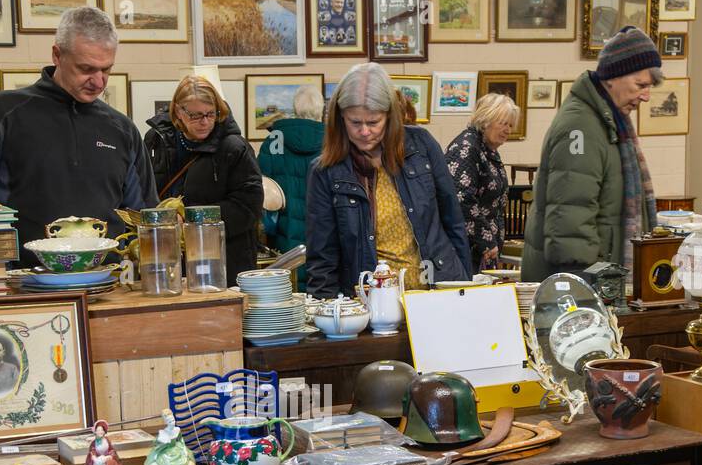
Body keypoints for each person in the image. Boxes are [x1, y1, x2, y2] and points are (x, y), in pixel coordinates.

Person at [0, 6, 154, 252]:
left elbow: (144, 218)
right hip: (23, 283)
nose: (99, 81)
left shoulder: (123, 129)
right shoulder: (1, 112)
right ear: (57, 55)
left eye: (106, 69)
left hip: (108, 283)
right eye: (86, 69)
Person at [304, 62, 470, 299]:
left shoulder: (421, 146)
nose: (364, 131)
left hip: (437, 294)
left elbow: (453, 222)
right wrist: (328, 312)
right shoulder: (325, 171)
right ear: (340, 119)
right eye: (355, 122)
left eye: (373, 122)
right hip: (371, 304)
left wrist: (466, 289)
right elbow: (322, 257)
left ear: (389, 116)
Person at [522, 27, 663, 281]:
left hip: (594, 276)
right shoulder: (582, 125)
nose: (645, 96)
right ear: (613, 76)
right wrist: (583, 286)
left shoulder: (608, 122)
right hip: (576, 284)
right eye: (640, 85)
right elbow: (570, 220)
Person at [143, 75, 263, 281]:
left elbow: (247, 208)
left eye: (210, 114)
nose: (205, 122)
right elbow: (145, 190)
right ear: (179, 111)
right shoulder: (155, 139)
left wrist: (189, 218)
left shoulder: (234, 147)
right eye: (196, 115)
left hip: (224, 259)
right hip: (167, 256)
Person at [446, 93, 518, 271]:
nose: (508, 130)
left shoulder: (488, 148)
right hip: (469, 248)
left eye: (510, 124)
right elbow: (461, 200)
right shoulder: (468, 147)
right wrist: (486, 241)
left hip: (484, 248)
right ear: (486, 120)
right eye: (503, 123)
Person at [257, 83, 324, 253]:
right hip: (324, 234)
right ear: (321, 109)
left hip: (282, 236)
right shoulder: (334, 143)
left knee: (288, 277)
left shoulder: (273, 141)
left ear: (295, 107)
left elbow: (260, 189)